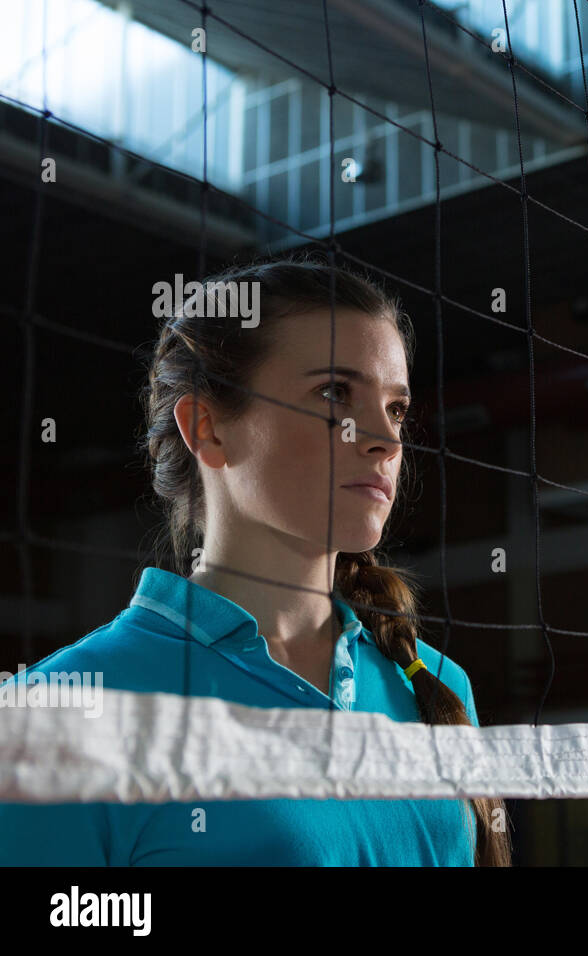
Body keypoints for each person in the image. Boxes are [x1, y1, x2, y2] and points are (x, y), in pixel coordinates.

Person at [0, 256, 511, 866]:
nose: (385, 437)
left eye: (396, 407)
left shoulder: (439, 687)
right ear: (208, 426)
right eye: (334, 393)